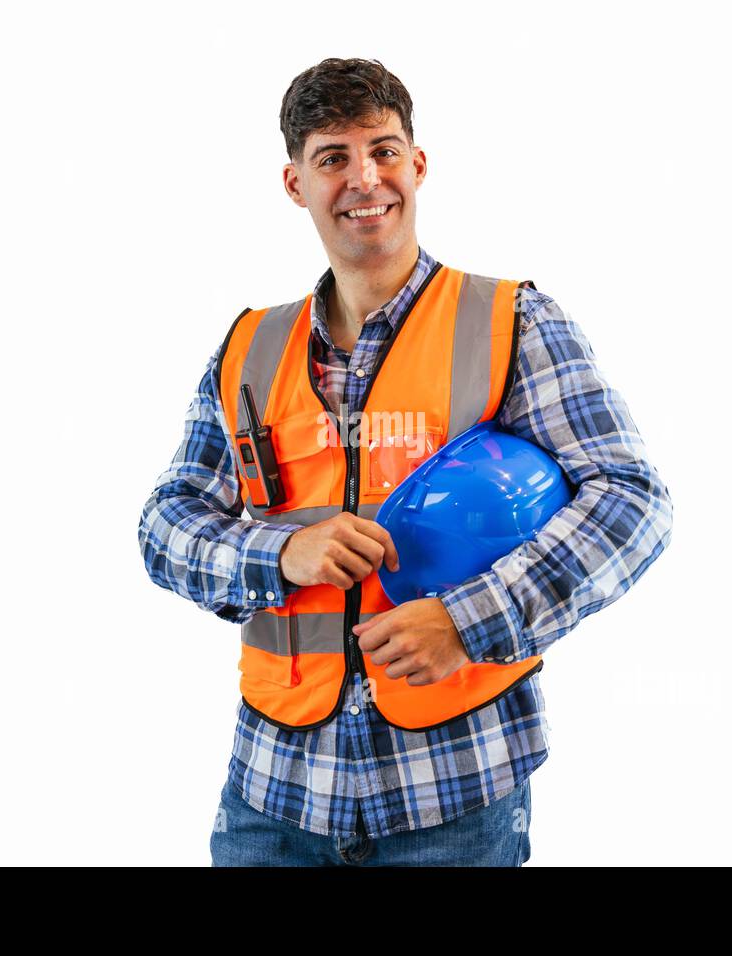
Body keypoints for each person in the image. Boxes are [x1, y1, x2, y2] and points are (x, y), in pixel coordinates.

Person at [138, 57, 674, 867]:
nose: (365, 178)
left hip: (453, 797)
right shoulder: (252, 346)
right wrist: (278, 551)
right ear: (295, 183)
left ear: (417, 165)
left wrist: (469, 621)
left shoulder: (509, 321)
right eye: (334, 158)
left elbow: (633, 501)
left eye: (384, 150)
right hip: (273, 797)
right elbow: (165, 524)